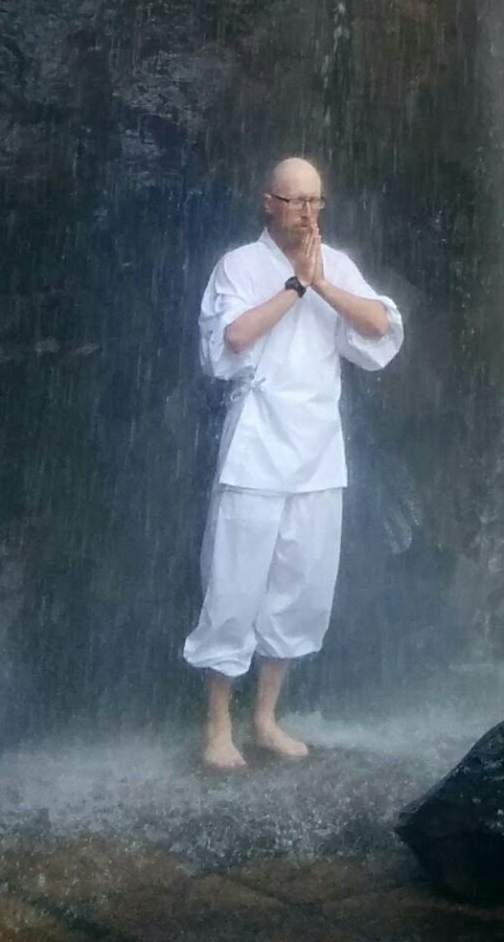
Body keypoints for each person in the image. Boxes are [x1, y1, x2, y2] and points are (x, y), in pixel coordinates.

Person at [182, 158, 403, 769]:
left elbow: (381, 326)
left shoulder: (337, 263)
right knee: (233, 585)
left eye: (316, 201)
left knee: (300, 589)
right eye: (296, 201)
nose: (308, 213)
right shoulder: (238, 265)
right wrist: (295, 287)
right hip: (254, 448)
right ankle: (217, 728)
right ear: (268, 203)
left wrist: (323, 281)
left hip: (316, 452)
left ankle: (265, 718)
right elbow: (229, 340)